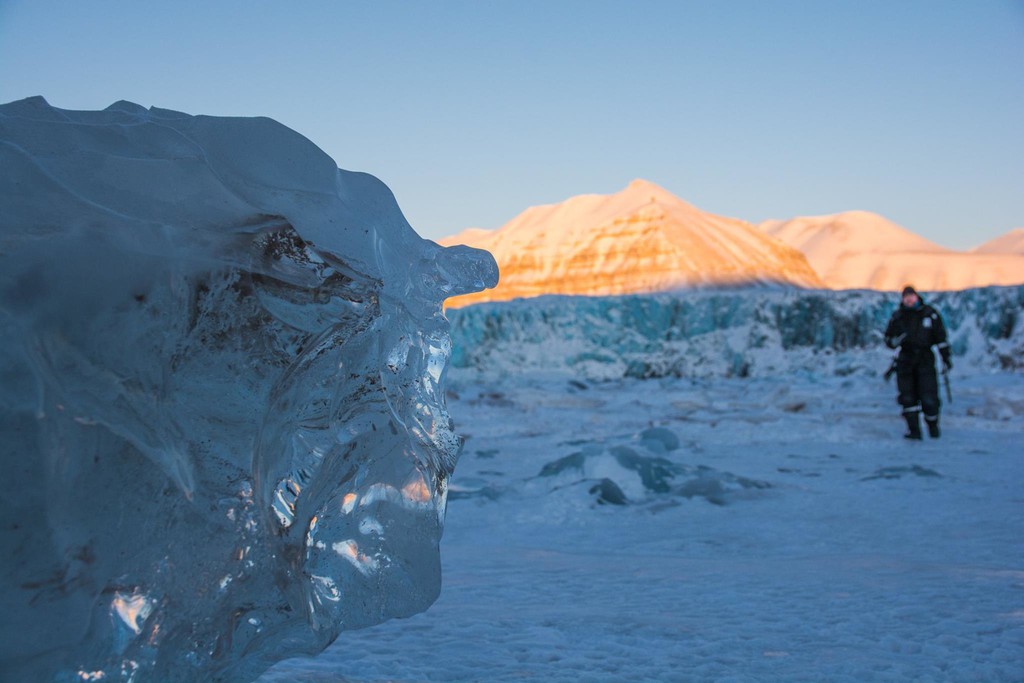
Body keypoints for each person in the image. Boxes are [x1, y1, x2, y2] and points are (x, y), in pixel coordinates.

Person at [884, 285, 952, 439]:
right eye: (906, 297)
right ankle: (914, 431)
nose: (909, 300)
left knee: (929, 398)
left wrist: (946, 357)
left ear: (917, 297)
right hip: (905, 360)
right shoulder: (898, 317)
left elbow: (940, 338)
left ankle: (933, 428)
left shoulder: (930, 314)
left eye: (911, 296)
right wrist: (895, 341)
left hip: (925, 359)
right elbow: (888, 339)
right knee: (908, 398)